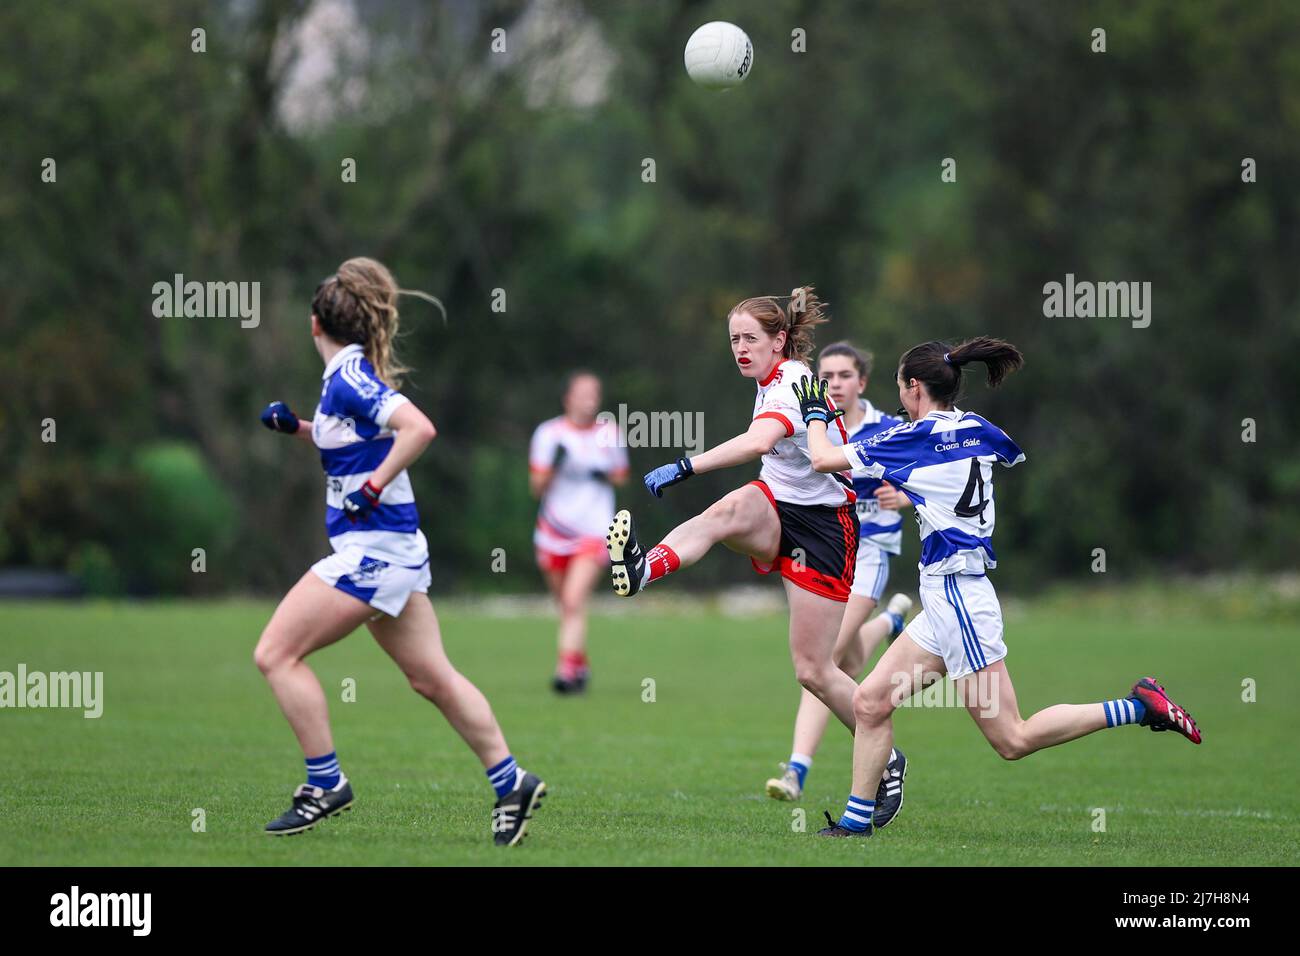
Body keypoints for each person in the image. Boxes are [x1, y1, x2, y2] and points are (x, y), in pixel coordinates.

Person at [790, 336, 1202, 839]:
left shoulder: (912, 438)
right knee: (870, 701)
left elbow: (821, 459)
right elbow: (997, 454)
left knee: (1012, 737)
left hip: (961, 599)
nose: (900, 397)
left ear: (914, 386)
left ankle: (1140, 706)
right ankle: (855, 823)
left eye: (902, 386)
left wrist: (814, 413)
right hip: (947, 599)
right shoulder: (979, 427)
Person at [255, 257, 545, 846]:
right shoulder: (343, 378)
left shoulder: (349, 376)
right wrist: (301, 429)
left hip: (374, 552)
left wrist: (373, 484)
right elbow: (362, 436)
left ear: (316, 323)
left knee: (276, 655)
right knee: (432, 678)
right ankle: (511, 782)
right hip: (391, 551)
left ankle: (324, 785)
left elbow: (418, 428)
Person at [606, 288, 906, 827]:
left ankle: (885, 755)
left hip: (825, 533)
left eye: (750, 339)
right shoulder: (780, 375)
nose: (740, 349)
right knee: (727, 511)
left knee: (814, 670)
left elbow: (757, 441)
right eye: (734, 340)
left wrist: (684, 466)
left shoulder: (791, 382)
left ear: (778, 342)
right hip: (778, 508)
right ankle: (641, 567)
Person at [765, 341, 914, 803]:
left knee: (821, 663)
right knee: (843, 664)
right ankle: (890, 623)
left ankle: (796, 770)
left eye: (844, 375)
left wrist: (904, 498)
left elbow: (934, 477)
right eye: (825, 376)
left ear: (862, 382)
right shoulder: (813, 428)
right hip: (826, 552)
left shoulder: (888, 428)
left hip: (868, 556)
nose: (833, 383)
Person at [529, 371, 629, 693]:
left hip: (596, 530)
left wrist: (599, 472)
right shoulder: (549, 434)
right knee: (565, 605)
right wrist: (556, 464)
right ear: (568, 398)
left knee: (573, 601)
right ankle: (580, 663)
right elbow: (536, 487)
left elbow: (621, 476)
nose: (589, 399)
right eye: (583, 393)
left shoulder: (609, 433)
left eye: (594, 393)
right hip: (553, 531)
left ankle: (566, 672)